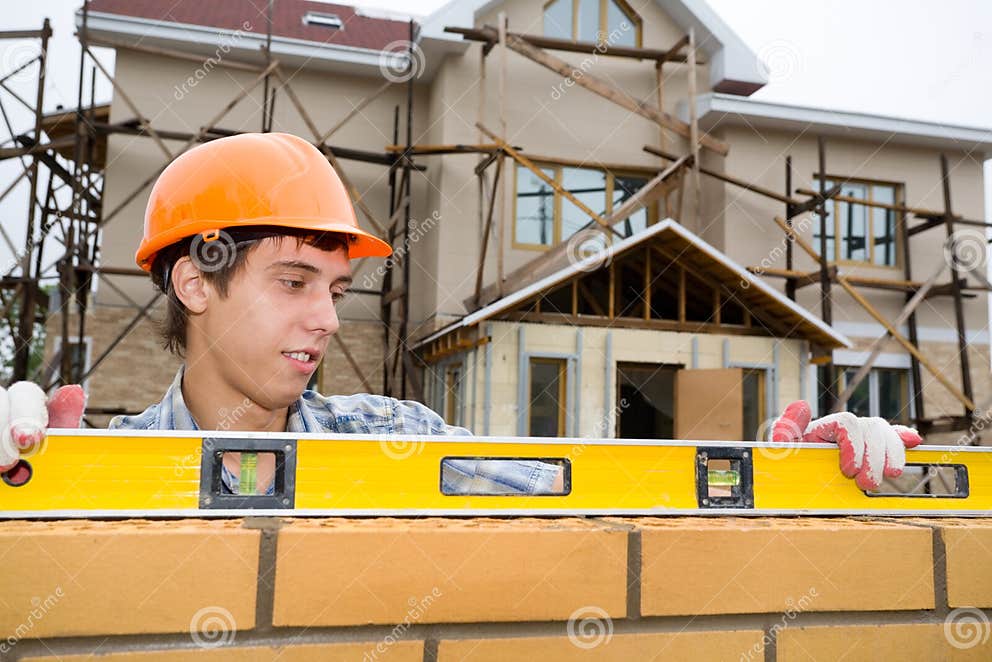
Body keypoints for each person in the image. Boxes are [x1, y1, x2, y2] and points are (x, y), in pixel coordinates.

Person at [0, 132, 920, 495]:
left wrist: (780, 480)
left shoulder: (399, 438)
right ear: (194, 284)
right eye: (293, 282)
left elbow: (583, 505)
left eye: (336, 289)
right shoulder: (97, 470)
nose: (326, 319)